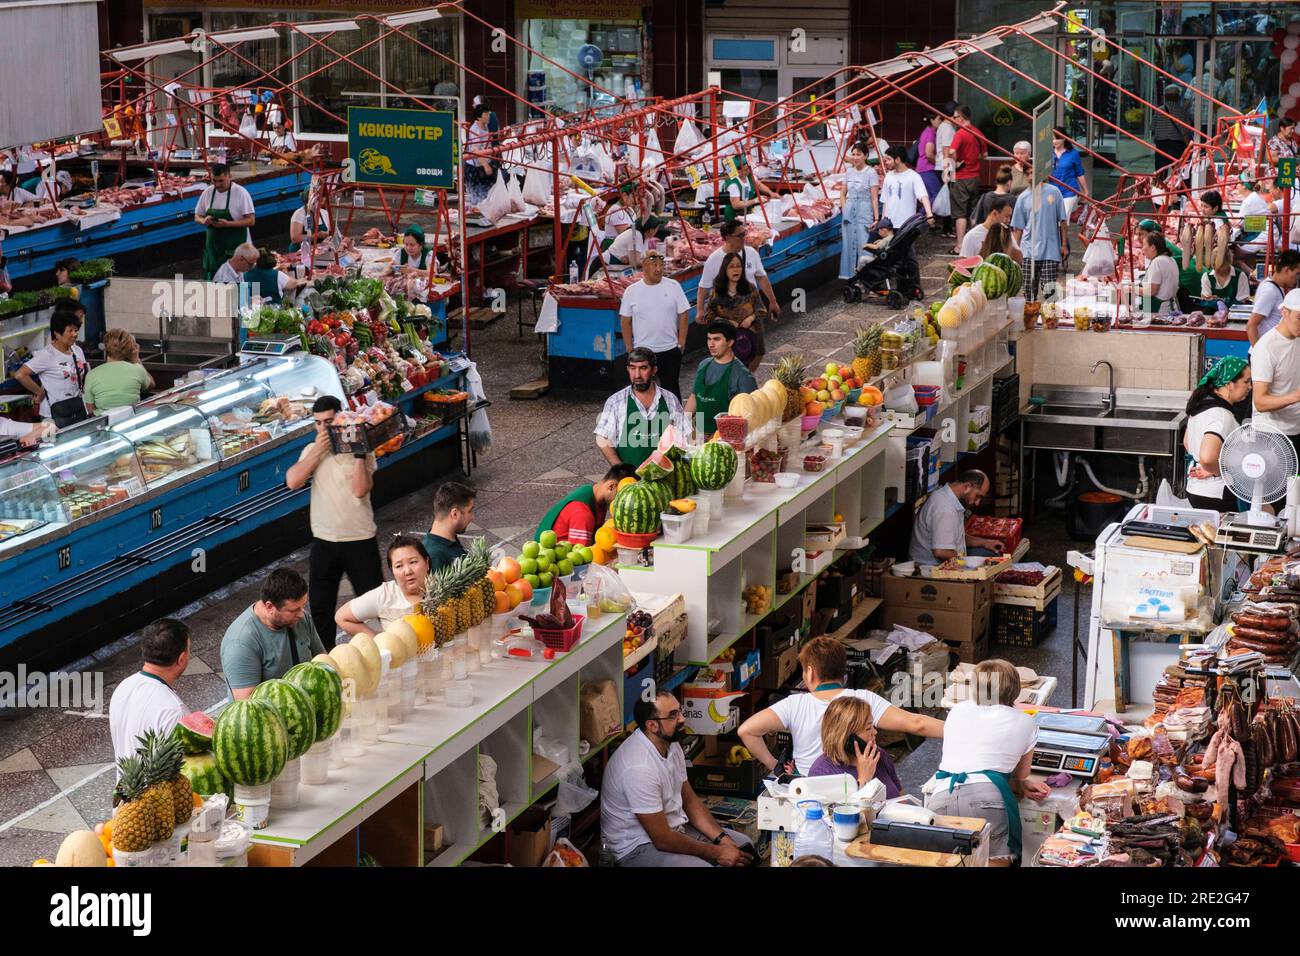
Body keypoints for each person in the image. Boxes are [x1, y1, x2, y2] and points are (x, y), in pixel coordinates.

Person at [738, 637, 945, 776]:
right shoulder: (862, 699)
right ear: (843, 671)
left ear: (809, 673)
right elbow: (917, 723)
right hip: (855, 784)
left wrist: (773, 764)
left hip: (808, 789)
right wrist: (963, 729)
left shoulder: (795, 704)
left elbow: (746, 730)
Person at [601, 690, 756, 867]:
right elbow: (662, 839)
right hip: (636, 847)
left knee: (744, 847)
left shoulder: (671, 744)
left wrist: (723, 840)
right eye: (673, 715)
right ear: (652, 725)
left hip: (674, 830)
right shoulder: (639, 767)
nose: (682, 719)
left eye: (680, 711)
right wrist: (718, 852)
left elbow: (689, 800)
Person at [925, 659, 1048, 864]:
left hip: (941, 796)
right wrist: (1023, 783)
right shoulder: (1027, 721)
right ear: (1015, 690)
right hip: (987, 798)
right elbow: (1020, 775)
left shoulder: (957, 710)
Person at [285, 395, 382, 648]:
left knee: (374, 603)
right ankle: (325, 659)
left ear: (341, 418)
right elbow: (293, 481)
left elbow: (361, 490)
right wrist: (319, 449)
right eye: (318, 423)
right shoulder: (312, 452)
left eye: (329, 421)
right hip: (324, 542)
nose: (324, 428)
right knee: (320, 608)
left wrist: (359, 454)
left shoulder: (363, 450)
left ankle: (381, 649)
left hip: (360, 540)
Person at [221, 568, 326, 697]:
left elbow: (321, 660)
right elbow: (248, 705)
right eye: (294, 610)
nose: (301, 614)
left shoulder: (300, 618)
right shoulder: (241, 644)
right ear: (270, 606)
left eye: (303, 606)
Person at [109, 619, 190, 765]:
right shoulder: (175, 711)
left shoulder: (124, 686)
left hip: (123, 785)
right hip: (157, 788)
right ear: (181, 659)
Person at [594, 347, 689, 467]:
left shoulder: (670, 399)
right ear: (628, 369)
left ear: (654, 370)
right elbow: (604, 438)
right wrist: (619, 469)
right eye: (632, 368)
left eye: (643, 368)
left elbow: (686, 434)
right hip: (629, 481)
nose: (637, 375)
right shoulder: (616, 402)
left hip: (666, 478)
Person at [618, 247, 689, 400]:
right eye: (653, 264)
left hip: (669, 349)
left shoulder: (673, 286)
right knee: (641, 391)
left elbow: (683, 314)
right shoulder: (632, 291)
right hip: (642, 350)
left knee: (671, 391)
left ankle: (674, 421)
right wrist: (630, 349)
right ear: (643, 266)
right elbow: (625, 321)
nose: (658, 269)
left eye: (660, 265)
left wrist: (681, 343)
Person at [1184, 357, 1251, 512]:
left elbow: (1187, 443)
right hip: (1217, 494)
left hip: (1195, 490)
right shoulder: (1222, 416)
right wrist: (1218, 470)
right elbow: (1207, 458)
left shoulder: (1199, 407)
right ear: (1229, 384)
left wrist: (1210, 467)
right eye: (1246, 381)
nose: (1250, 387)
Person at [806, 694, 903, 797]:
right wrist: (864, 781)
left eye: (872, 726)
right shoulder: (822, 772)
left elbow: (900, 797)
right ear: (847, 738)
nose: (875, 732)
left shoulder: (879, 756)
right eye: (868, 728)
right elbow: (846, 811)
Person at [335, 535, 430, 638]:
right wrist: (378, 641)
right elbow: (342, 617)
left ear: (427, 563)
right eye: (399, 566)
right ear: (392, 571)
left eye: (413, 562)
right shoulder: (385, 595)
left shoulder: (442, 589)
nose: (407, 571)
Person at [909, 469, 1006, 565]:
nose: (977, 503)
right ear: (966, 487)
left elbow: (957, 537)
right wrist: (967, 564)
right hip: (930, 568)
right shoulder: (945, 509)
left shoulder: (952, 498)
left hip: (953, 555)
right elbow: (941, 552)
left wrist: (986, 542)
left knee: (991, 554)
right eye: (978, 496)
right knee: (988, 561)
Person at [14, 307, 87, 428]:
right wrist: (39, 392)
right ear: (57, 333)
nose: (75, 334)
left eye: (76, 330)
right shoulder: (46, 355)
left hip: (77, 409)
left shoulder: (77, 350)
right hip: (52, 415)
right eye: (70, 330)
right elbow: (20, 374)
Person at [696, 219, 780, 324]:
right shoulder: (714, 259)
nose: (743, 238)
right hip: (724, 316)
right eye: (739, 236)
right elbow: (703, 286)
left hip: (750, 313)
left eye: (744, 234)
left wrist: (773, 301)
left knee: (755, 339)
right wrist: (700, 310)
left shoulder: (751, 253)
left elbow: (762, 277)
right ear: (727, 238)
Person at [685, 322, 759, 436]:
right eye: (709, 339)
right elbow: (695, 397)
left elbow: (750, 414)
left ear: (730, 342)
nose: (711, 344)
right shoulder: (703, 365)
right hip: (698, 434)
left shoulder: (742, 375)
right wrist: (683, 422)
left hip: (724, 438)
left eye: (717, 339)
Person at [536, 463, 637, 548]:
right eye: (623, 496)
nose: (625, 502)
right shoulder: (582, 513)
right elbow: (580, 558)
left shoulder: (594, 493)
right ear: (611, 486)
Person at [1251, 288, 1300, 459]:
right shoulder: (1266, 348)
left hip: (1297, 428)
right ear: (1284, 312)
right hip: (1272, 434)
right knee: (1278, 485)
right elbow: (1260, 402)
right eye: (1299, 318)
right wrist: (1295, 397)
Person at [703, 251, 769, 372]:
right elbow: (708, 315)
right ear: (725, 270)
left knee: (748, 369)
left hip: (748, 338)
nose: (735, 270)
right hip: (727, 341)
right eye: (731, 267)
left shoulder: (749, 288)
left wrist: (750, 318)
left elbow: (761, 309)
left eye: (738, 266)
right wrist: (727, 322)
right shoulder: (717, 291)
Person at [194, 162, 256, 280]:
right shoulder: (208, 192)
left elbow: (251, 220)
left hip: (237, 250)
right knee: (215, 286)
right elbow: (197, 216)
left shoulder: (241, 193)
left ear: (229, 176)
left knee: (240, 286)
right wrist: (204, 221)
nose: (217, 184)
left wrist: (228, 224)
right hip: (214, 251)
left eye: (221, 181)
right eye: (214, 181)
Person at [1011, 180, 1068, 301]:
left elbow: (1063, 220)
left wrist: (1064, 245)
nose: (1032, 175)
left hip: (1050, 250)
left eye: (1033, 171)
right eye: (1029, 172)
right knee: (1029, 294)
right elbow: (1018, 229)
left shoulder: (1054, 192)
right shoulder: (1022, 197)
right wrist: (1015, 252)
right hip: (1028, 252)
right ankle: (1031, 318)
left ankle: (1050, 319)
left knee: (1050, 293)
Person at [838, 141, 881, 282]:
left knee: (865, 245)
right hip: (849, 212)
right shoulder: (849, 172)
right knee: (848, 244)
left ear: (865, 155)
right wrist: (845, 210)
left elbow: (874, 198)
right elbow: (843, 194)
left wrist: (876, 218)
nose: (855, 157)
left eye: (859, 154)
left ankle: (868, 279)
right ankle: (850, 277)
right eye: (853, 154)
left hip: (864, 210)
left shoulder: (871, 172)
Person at [84, 329, 153, 414]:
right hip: (130, 420)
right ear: (129, 349)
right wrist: (136, 359)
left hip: (102, 423)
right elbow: (151, 386)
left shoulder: (91, 375)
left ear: (105, 348)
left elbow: (90, 409)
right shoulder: (137, 369)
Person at [946, 105, 984, 255]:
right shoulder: (978, 133)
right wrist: (972, 160)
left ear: (961, 118)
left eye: (955, 117)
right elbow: (984, 155)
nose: (953, 120)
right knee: (973, 212)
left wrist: (957, 162)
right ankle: (974, 246)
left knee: (960, 213)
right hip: (975, 177)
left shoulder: (960, 134)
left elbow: (952, 152)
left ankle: (960, 246)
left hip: (961, 177)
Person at [1246, 249, 1300, 344]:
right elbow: (1251, 326)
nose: (1297, 278)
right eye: (1297, 273)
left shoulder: (1275, 287)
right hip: (1265, 354)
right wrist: (1259, 354)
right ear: (1286, 270)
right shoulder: (1270, 290)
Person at [423, 481, 474, 572]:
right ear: (455, 514)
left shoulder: (449, 538)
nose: (472, 516)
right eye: (469, 511)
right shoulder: (435, 557)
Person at [879, 145, 933, 230]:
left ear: (898, 160)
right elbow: (885, 201)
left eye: (889, 159)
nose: (886, 162)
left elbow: (923, 196)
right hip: (889, 225)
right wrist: (883, 222)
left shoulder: (913, 176)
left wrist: (929, 214)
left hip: (906, 225)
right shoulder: (888, 176)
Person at [722, 153, 776, 224]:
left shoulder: (749, 175)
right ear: (738, 171)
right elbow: (736, 205)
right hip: (734, 218)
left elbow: (758, 185)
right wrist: (755, 201)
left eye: (748, 168)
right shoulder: (733, 184)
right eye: (746, 169)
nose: (749, 170)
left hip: (747, 215)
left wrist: (770, 193)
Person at [961, 194, 1015, 260]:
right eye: (1006, 216)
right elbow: (964, 263)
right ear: (994, 213)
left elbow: (1019, 259)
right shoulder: (972, 236)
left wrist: (1008, 241)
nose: (1009, 221)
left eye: (1010, 217)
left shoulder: (1006, 233)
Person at [1139, 232, 1181, 316]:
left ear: (1153, 247)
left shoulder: (1157, 262)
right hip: (1167, 307)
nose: (1142, 249)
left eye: (1144, 245)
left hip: (1159, 311)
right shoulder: (1170, 259)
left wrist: (1130, 289)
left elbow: (1151, 291)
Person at [1050, 132, 1089, 220]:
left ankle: (1062, 232)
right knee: (1053, 220)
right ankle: (1061, 234)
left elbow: (1079, 173)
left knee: (1063, 218)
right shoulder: (1048, 153)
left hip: (1069, 191)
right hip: (1052, 191)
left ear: (1064, 139)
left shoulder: (1073, 154)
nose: (1054, 141)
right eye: (1052, 139)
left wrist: (1085, 191)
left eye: (1057, 139)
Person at [464, 104, 497, 208]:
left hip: (485, 163)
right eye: (486, 114)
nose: (488, 116)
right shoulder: (475, 130)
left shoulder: (485, 126)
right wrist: (486, 165)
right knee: (477, 197)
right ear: (479, 117)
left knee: (488, 195)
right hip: (476, 168)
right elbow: (475, 150)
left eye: (488, 114)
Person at [1151, 86, 1192, 169]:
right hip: (1177, 146)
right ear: (1178, 97)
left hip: (1161, 146)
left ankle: (1160, 182)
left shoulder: (1158, 110)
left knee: (1161, 173)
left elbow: (1153, 127)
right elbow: (1185, 132)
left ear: (1165, 97)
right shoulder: (1181, 111)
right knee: (1177, 172)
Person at [289, 187, 337, 253]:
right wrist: (316, 236)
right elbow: (295, 238)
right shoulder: (299, 213)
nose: (321, 200)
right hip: (300, 253)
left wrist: (327, 236)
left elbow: (330, 233)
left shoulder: (324, 213)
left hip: (318, 251)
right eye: (316, 199)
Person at [914, 112, 944, 202]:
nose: (941, 122)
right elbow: (929, 154)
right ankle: (921, 215)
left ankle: (924, 214)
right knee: (937, 195)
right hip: (926, 169)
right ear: (932, 120)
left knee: (929, 196)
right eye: (939, 119)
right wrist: (940, 163)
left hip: (923, 168)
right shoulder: (930, 134)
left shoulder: (927, 132)